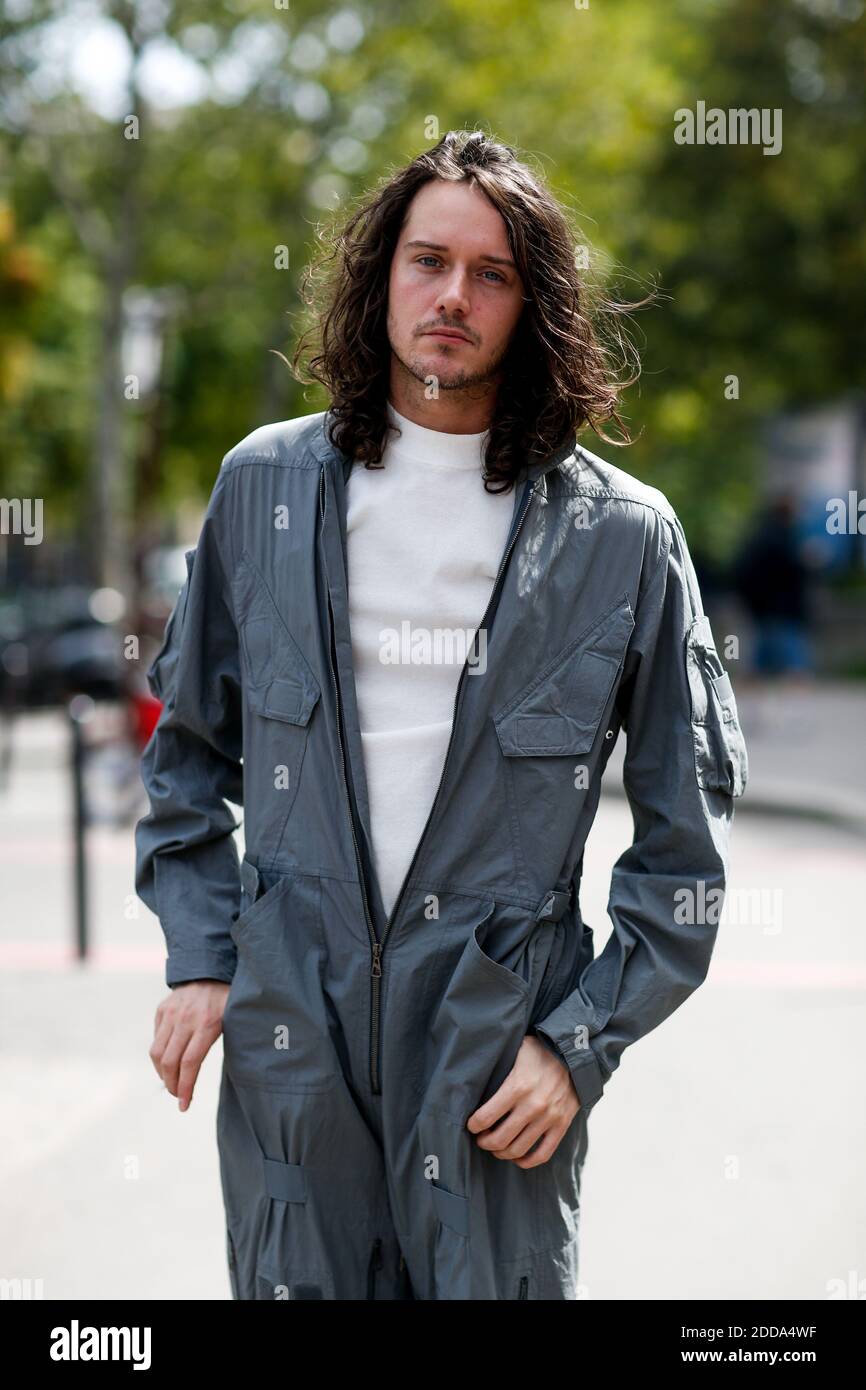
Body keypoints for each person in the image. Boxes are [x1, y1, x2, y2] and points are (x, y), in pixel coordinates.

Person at [135, 130, 749, 1301]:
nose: (451, 297)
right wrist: (205, 955)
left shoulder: (620, 540)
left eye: (491, 272)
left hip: (492, 1060)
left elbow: (688, 848)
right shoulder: (262, 490)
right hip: (292, 1047)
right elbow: (188, 757)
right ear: (380, 280)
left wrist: (577, 1044)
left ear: (534, 307)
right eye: (426, 261)